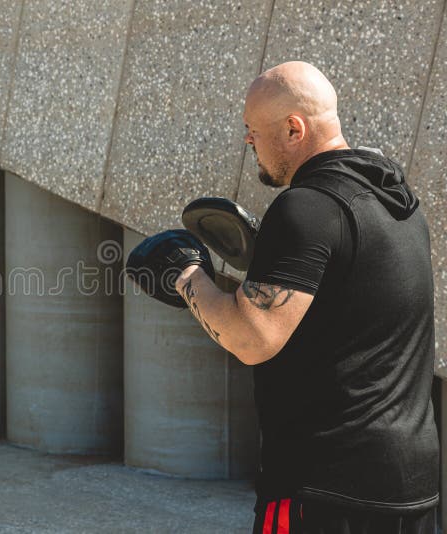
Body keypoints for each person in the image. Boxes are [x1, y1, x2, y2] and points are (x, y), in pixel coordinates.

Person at [136, 61, 439, 533]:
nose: (248, 142)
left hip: (324, 492)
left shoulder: (307, 208)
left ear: (294, 129)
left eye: (253, 130)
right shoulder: (398, 205)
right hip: (411, 490)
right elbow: (342, 314)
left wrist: (185, 275)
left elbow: (253, 339)